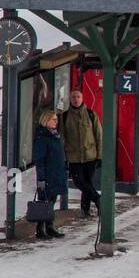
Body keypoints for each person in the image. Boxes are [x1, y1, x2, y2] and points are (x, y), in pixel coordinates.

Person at [60, 89, 103, 218]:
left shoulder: (90, 114)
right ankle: (97, 198)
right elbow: (62, 137)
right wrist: (63, 156)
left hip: (90, 155)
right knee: (79, 182)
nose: (76, 99)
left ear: (82, 98)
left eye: (78, 96)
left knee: (88, 182)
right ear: (70, 99)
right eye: (73, 97)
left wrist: (99, 155)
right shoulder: (65, 116)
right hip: (74, 156)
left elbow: (99, 135)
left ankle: (85, 209)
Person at [32, 110, 67, 240]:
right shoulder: (42, 138)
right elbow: (40, 159)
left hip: (56, 172)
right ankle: (40, 229)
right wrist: (41, 177)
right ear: (46, 121)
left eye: (56, 119)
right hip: (48, 174)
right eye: (53, 119)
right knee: (45, 201)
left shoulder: (54, 135)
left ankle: (49, 226)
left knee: (51, 201)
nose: (56, 122)